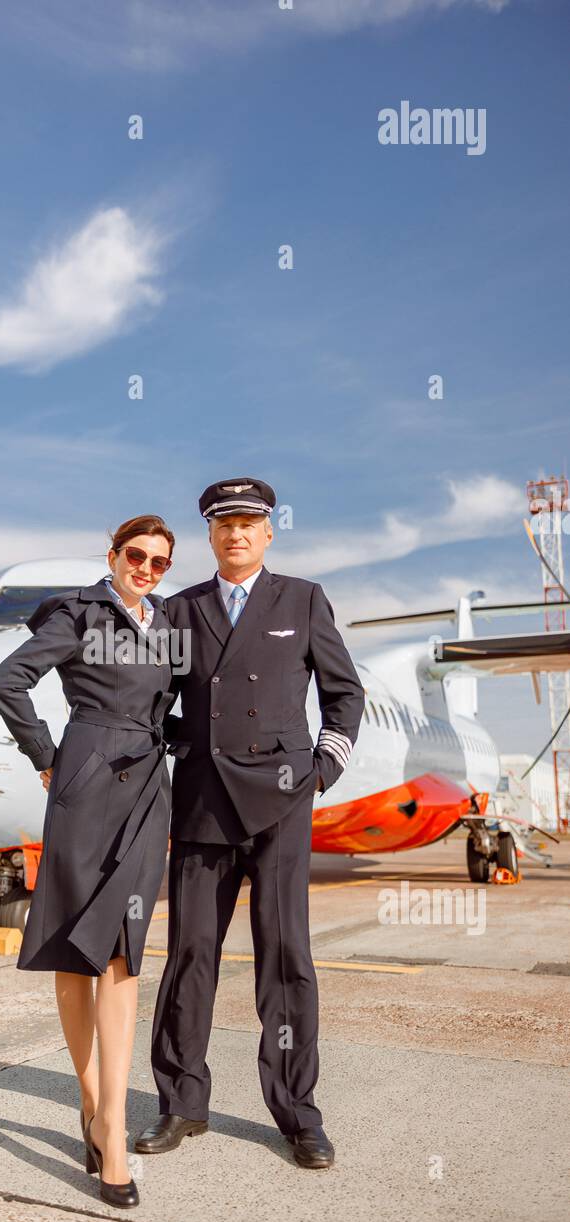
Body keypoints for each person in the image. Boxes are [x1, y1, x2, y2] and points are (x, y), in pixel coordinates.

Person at [135, 478, 365, 1169]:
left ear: (268, 532)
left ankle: (298, 1113)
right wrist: (181, 744)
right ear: (209, 536)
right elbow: (150, 703)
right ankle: (180, 1103)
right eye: (224, 524)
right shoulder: (179, 609)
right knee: (190, 956)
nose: (236, 534)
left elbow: (343, 695)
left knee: (286, 955)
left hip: (283, 798)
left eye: (249, 523)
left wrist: (322, 770)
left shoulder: (303, 599)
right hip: (205, 800)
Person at [0, 516, 177, 1208]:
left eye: (159, 562)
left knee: (124, 951)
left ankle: (115, 1130)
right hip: (85, 786)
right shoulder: (80, 613)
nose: (147, 570)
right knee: (74, 952)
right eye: (137, 557)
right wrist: (46, 757)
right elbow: (8, 683)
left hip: (148, 791)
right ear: (114, 556)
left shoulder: (167, 624)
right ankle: (94, 1102)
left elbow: (162, 713)